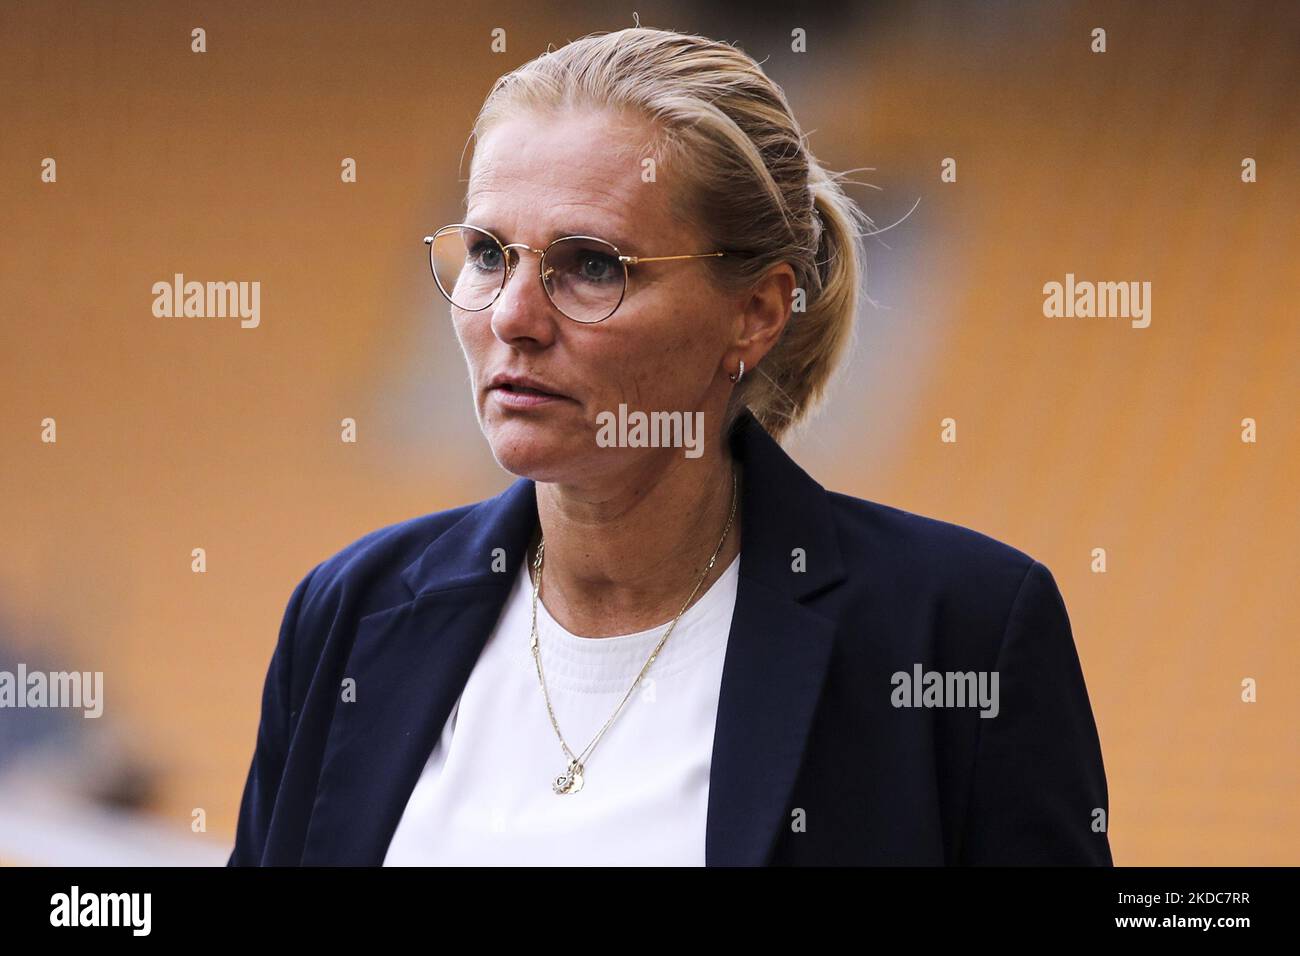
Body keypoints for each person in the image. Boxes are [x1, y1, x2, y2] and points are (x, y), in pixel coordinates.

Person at [229, 26, 1112, 866]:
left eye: (592, 265)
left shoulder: (957, 634)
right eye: (491, 254)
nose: (511, 318)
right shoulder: (351, 614)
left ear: (757, 313)